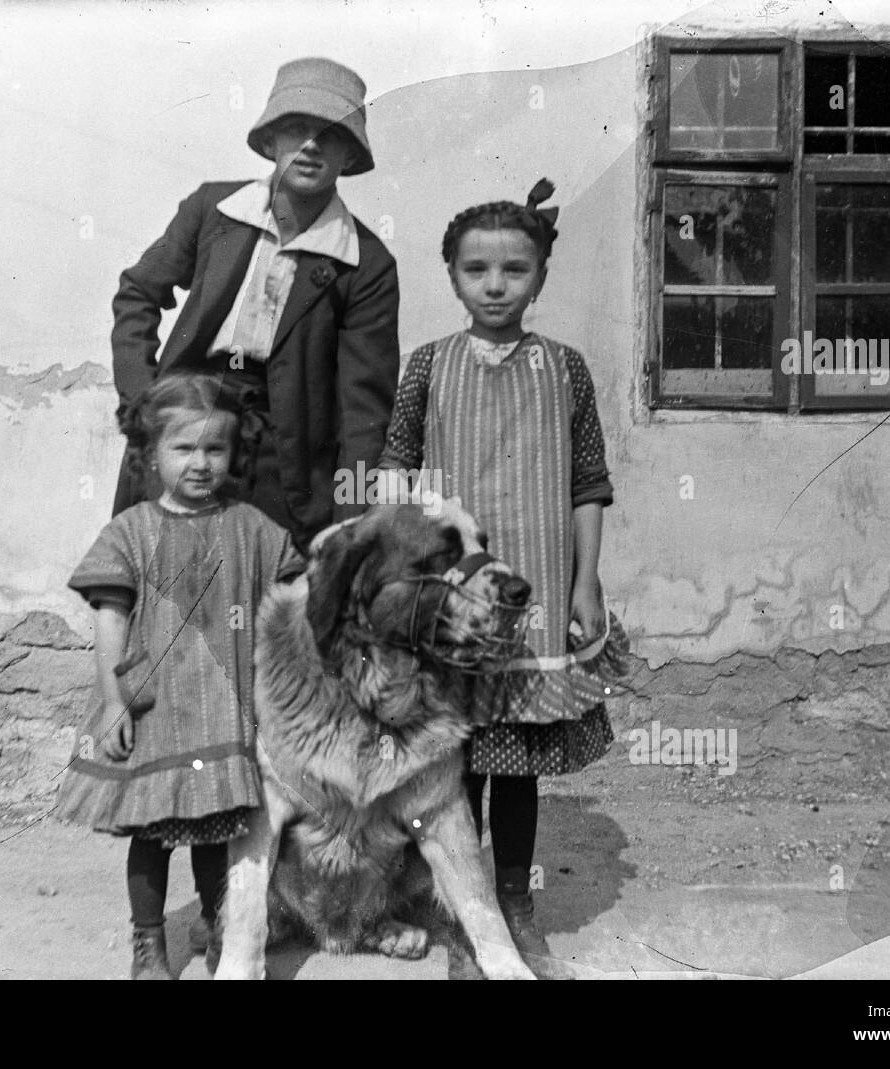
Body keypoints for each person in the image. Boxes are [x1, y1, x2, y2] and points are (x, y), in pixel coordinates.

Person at [377, 180, 615, 977]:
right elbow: (393, 472)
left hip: (539, 585)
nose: (495, 284)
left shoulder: (566, 370)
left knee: (518, 760)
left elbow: (587, 483)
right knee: (456, 760)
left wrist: (585, 583)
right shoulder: (427, 367)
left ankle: (514, 902)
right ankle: (467, 915)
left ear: (540, 276)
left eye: (515, 269)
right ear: (452, 276)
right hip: (457, 595)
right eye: (477, 269)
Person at [56, 374, 304, 979]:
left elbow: (294, 594)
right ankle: (147, 943)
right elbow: (110, 621)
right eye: (183, 449)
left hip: (224, 708)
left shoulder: (250, 527)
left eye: (214, 450)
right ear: (151, 454)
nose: (200, 464)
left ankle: (219, 929)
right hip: (154, 708)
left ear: (234, 454)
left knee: (215, 831)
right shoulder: (130, 532)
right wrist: (113, 702)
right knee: (152, 834)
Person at [109, 57, 399, 552]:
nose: (310, 146)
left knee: (261, 590)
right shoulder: (213, 210)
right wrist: (145, 404)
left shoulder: (365, 262)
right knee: (160, 575)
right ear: (269, 141)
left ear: (349, 156)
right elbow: (138, 293)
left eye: (329, 135)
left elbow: (362, 410)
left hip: (285, 447)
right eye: (295, 130)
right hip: (189, 417)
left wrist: (349, 522)